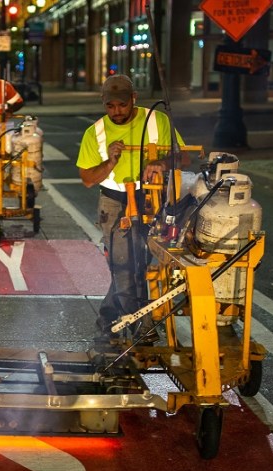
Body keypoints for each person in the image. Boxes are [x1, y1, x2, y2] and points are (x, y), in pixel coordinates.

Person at [76, 74, 188, 345]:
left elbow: (183, 156)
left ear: (134, 99)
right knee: (124, 266)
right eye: (110, 106)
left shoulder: (156, 121)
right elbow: (89, 179)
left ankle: (107, 320)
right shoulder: (96, 132)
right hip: (114, 203)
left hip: (154, 199)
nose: (116, 111)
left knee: (143, 265)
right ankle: (142, 326)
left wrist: (161, 163)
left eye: (122, 105)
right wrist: (111, 161)